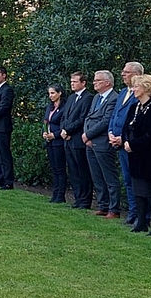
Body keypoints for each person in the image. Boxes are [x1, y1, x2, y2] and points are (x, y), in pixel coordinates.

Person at [122, 74, 151, 235]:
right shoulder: (134, 107)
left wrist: (133, 144)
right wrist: (126, 142)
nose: (134, 89)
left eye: (137, 86)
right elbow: (126, 128)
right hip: (135, 155)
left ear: (147, 88)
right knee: (138, 189)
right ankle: (141, 221)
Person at [83, 70, 120, 218]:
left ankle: (114, 208)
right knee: (97, 176)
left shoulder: (114, 98)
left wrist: (88, 134)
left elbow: (105, 121)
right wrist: (86, 135)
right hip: (90, 142)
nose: (94, 83)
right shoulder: (97, 97)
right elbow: (89, 117)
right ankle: (102, 205)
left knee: (109, 176)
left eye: (98, 80)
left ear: (107, 82)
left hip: (103, 142)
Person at [109, 62, 143, 223]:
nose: (123, 74)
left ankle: (140, 214)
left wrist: (123, 137)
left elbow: (135, 122)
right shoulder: (123, 92)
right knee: (127, 179)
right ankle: (132, 213)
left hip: (131, 144)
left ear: (137, 74)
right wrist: (111, 132)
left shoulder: (140, 95)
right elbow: (115, 115)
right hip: (118, 143)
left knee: (136, 179)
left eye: (127, 72)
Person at [61, 71, 93, 208]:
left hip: (78, 139)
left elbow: (82, 119)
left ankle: (85, 200)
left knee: (82, 171)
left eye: (75, 81)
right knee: (73, 171)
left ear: (83, 82)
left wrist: (68, 130)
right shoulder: (71, 98)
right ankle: (78, 198)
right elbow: (64, 117)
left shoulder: (88, 98)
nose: (72, 84)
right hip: (67, 139)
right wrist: (63, 130)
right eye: (71, 81)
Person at [42, 84, 67, 202]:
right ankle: (55, 193)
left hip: (58, 141)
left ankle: (61, 195)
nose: (50, 96)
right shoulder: (50, 107)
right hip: (49, 141)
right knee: (54, 168)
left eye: (52, 93)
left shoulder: (64, 107)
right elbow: (46, 121)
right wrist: (44, 132)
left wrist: (55, 134)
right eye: (49, 94)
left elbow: (64, 124)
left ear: (59, 93)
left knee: (60, 168)